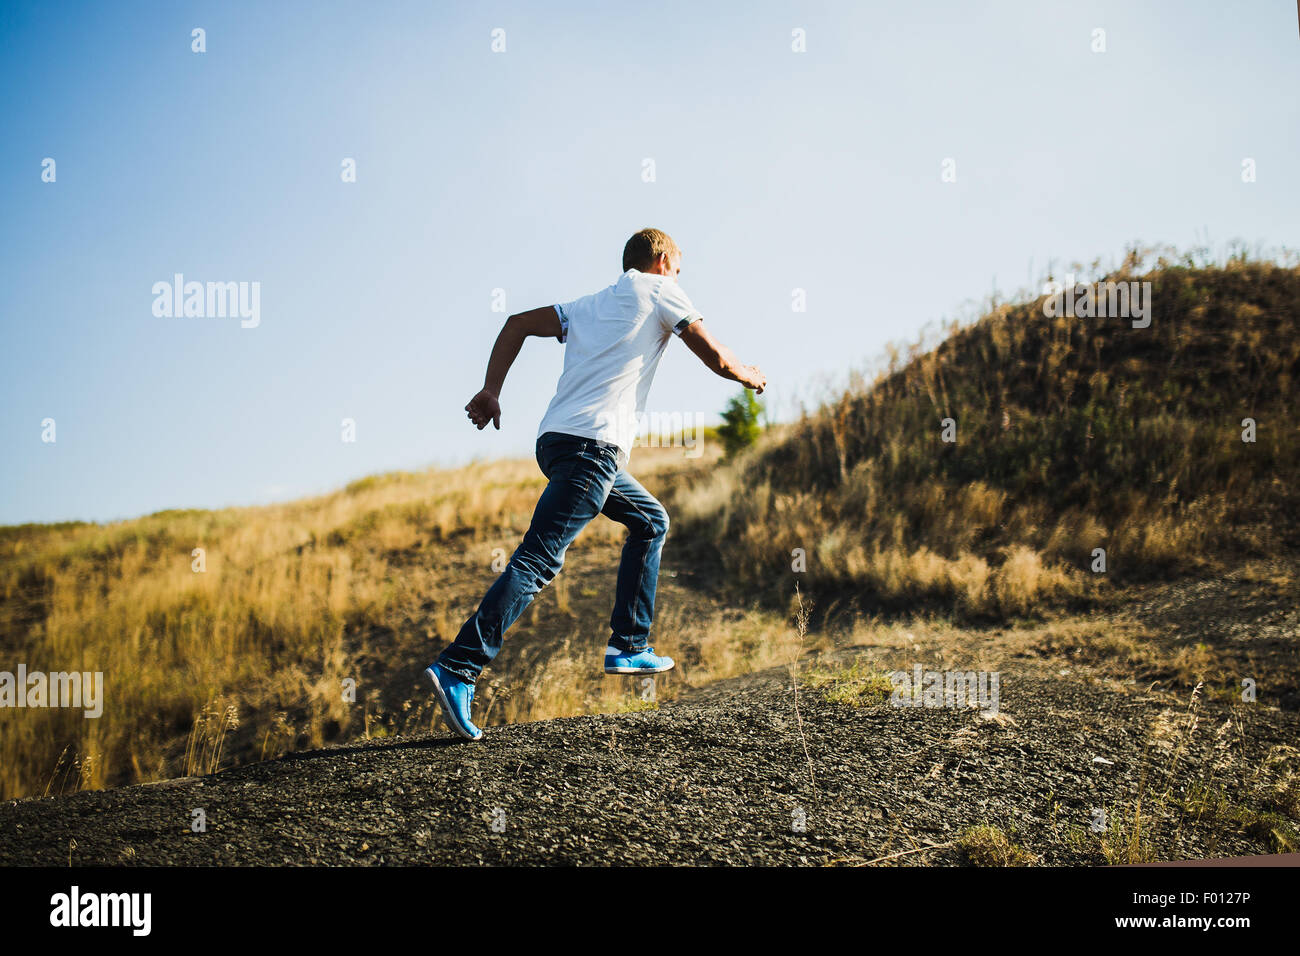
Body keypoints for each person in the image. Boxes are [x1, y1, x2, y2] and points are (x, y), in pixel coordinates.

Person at [426, 228, 766, 740]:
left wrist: (491, 390)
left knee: (650, 520)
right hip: (593, 448)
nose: (680, 276)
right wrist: (748, 374)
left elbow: (517, 323)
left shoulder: (588, 306)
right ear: (663, 259)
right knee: (538, 560)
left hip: (559, 441)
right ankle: (460, 665)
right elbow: (715, 357)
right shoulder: (660, 289)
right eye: (679, 266)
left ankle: (629, 643)